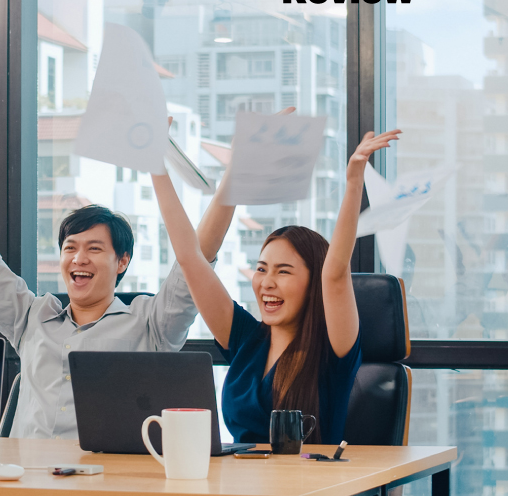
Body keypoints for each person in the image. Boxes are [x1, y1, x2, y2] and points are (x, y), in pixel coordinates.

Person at [0, 171, 233, 440]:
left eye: (94, 248)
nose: (78, 258)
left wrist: (236, 176)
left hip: (106, 481)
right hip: (29, 480)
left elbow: (197, 260)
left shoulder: (151, 325)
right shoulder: (31, 317)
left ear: (122, 261)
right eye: (70, 248)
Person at [152, 127, 401, 445]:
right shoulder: (245, 338)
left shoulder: (333, 349)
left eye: (283, 272)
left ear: (314, 284)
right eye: (261, 269)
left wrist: (354, 181)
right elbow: (190, 258)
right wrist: (155, 165)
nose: (266, 282)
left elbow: (335, 274)